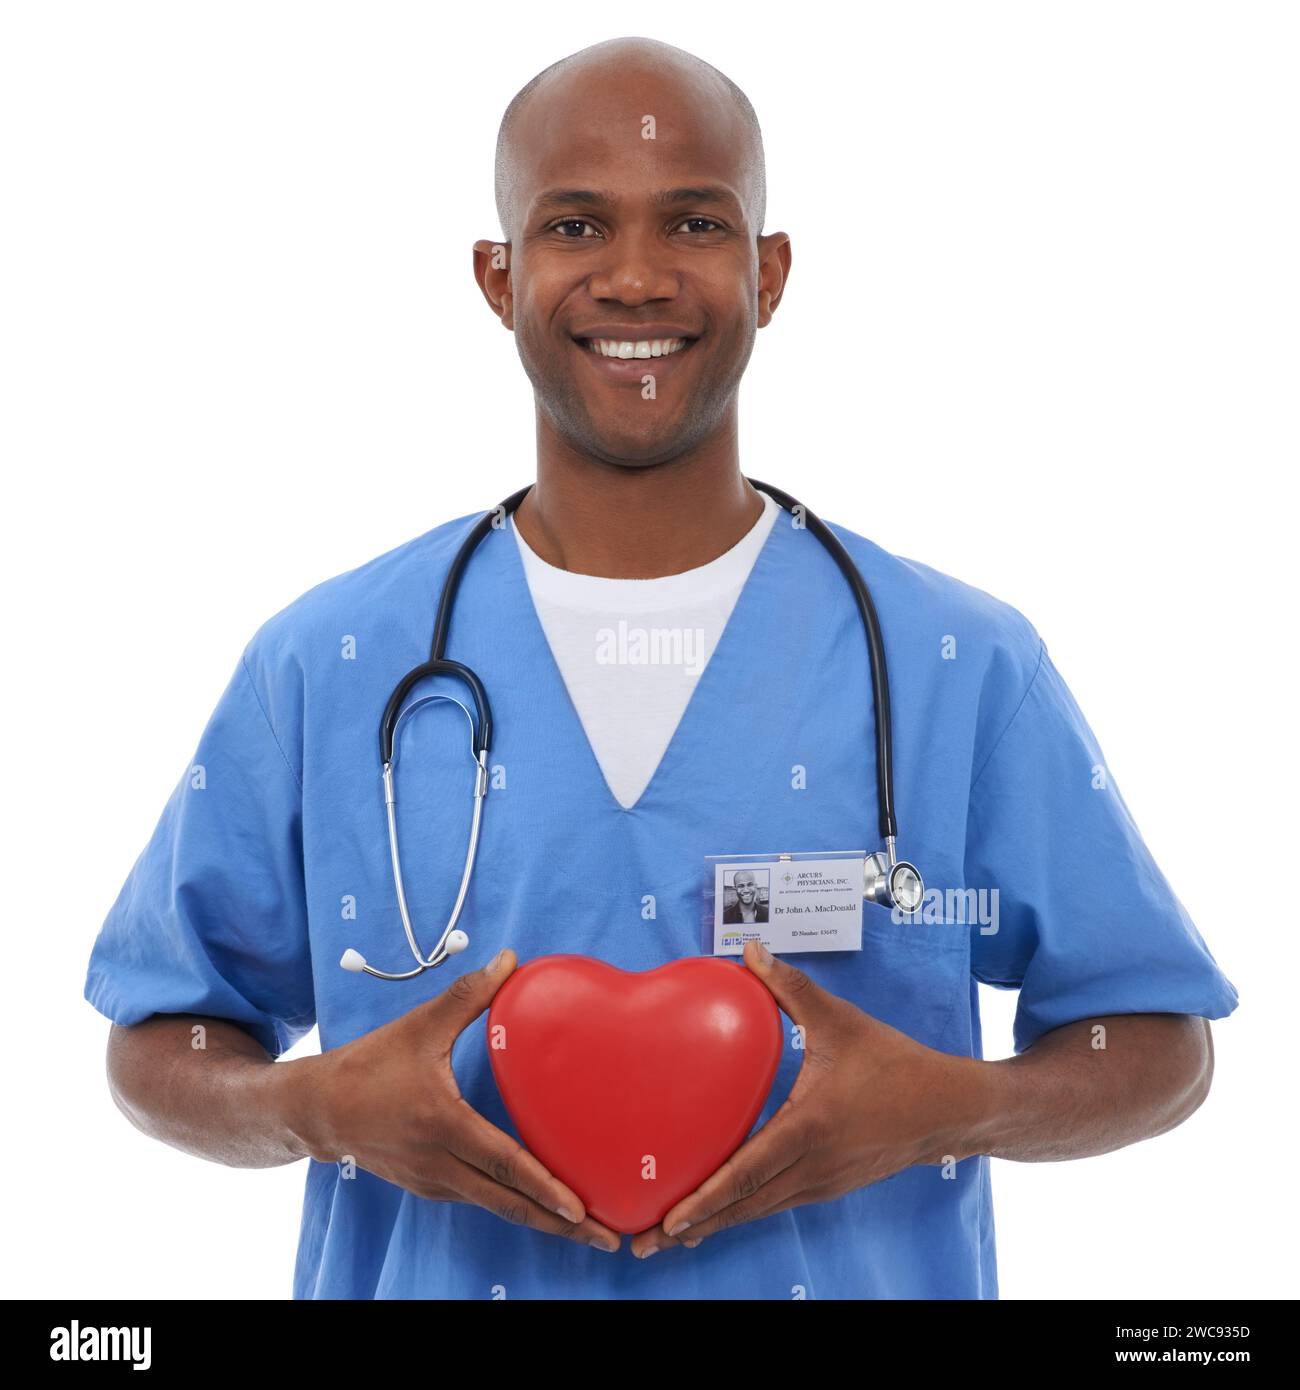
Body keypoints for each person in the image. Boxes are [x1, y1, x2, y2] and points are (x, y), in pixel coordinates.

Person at [84, 36, 1239, 1300]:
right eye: (575, 226)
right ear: (497, 274)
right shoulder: (326, 662)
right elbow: (161, 1037)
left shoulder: (957, 663)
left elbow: (1156, 1039)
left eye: (693, 223)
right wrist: (312, 1108)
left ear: (768, 270)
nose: (634, 279)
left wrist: (959, 1106)